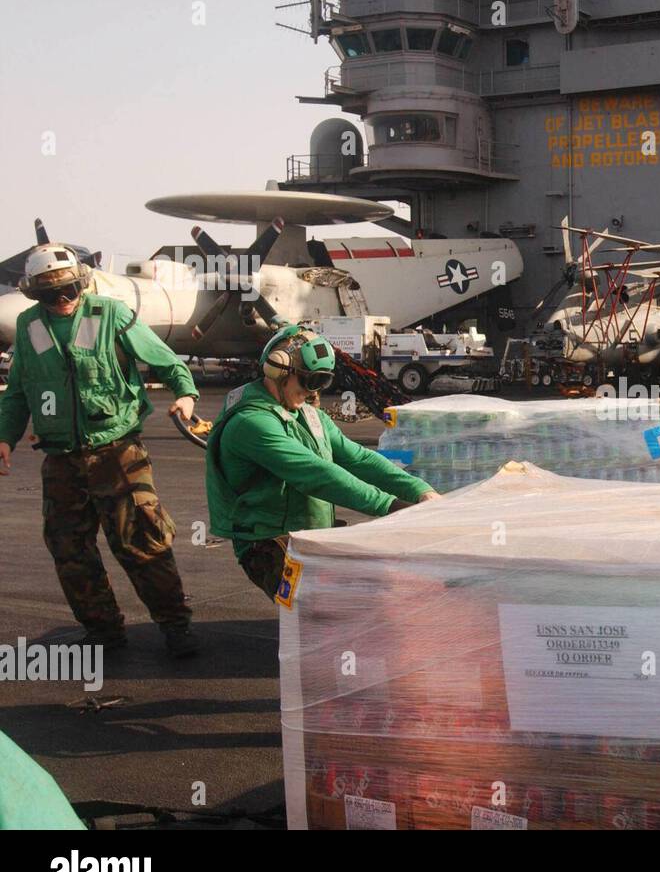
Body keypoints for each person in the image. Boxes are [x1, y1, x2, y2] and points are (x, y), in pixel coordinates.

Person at [0, 244, 200, 656]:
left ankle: (175, 626)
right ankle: (103, 630)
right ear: (34, 294)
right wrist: (4, 436)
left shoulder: (110, 314)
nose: (63, 301)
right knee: (68, 548)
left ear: (82, 284)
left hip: (117, 451)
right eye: (51, 295)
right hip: (60, 459)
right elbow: (18, 391)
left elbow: (167, 363)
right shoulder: (29, 326)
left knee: (141, 541)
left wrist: (186, 395)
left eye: (70, 291)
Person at [205, 326, 438, 600]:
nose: (312, 392)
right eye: (309, 381)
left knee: (375, 594)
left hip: (309, 535)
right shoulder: (252, 423)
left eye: (321, 382)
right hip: (269, 543)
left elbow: (359, 458)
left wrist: (419, 490)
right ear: (279, 371)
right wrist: (390, 506)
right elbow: (316, 474)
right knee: (335, 608)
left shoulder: (308, 415)